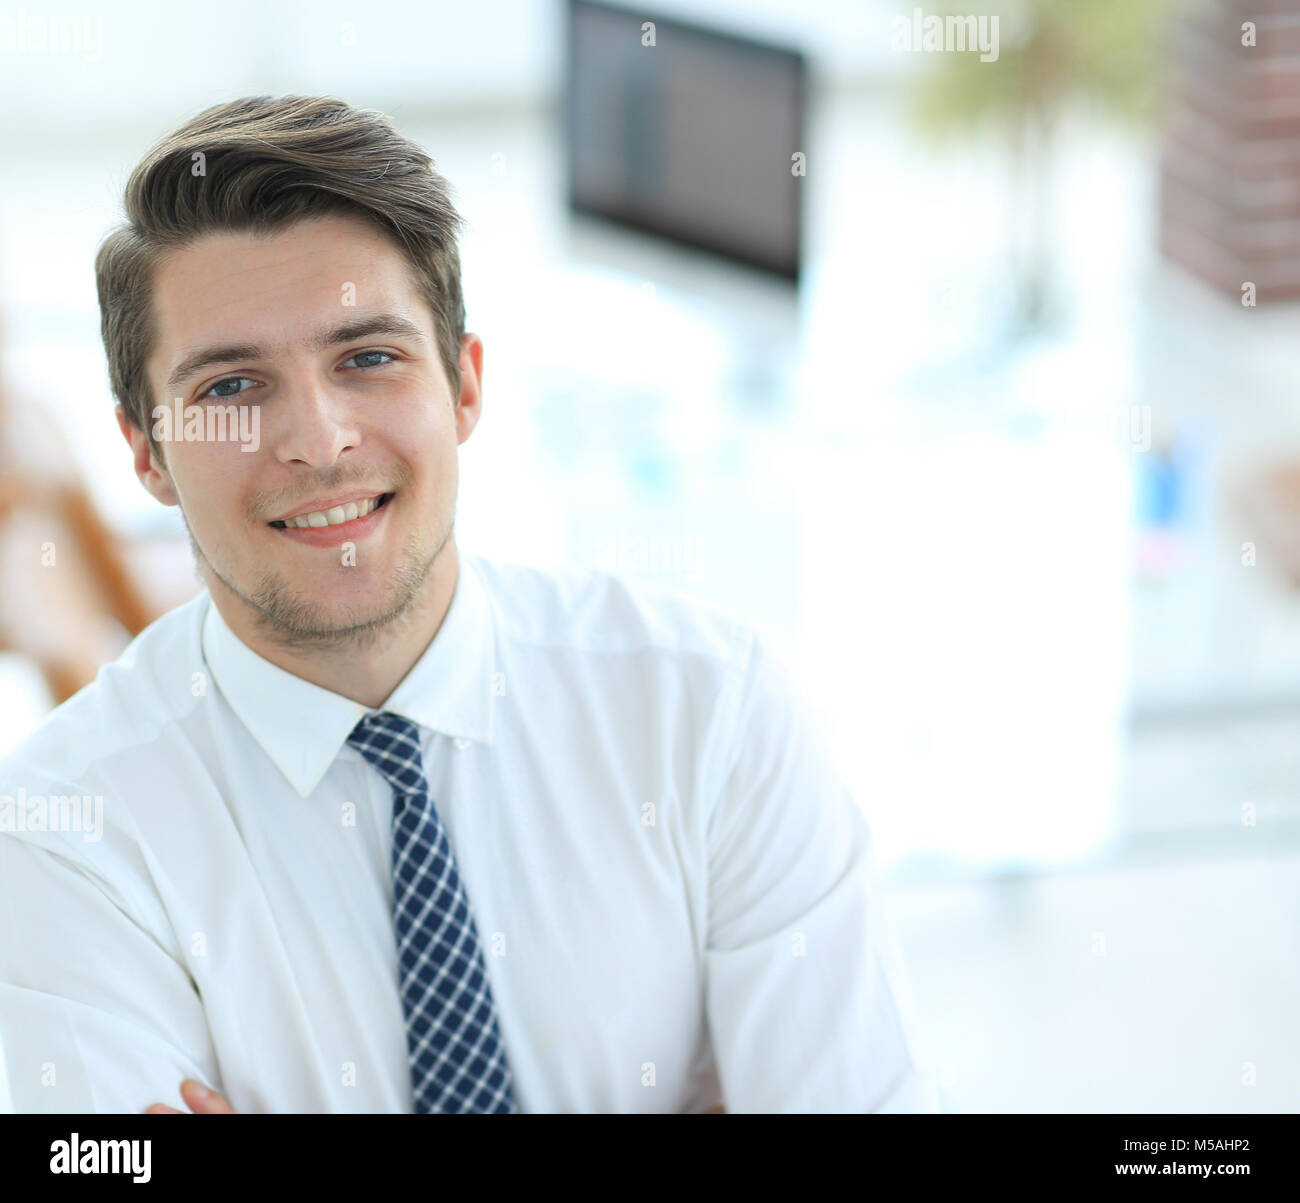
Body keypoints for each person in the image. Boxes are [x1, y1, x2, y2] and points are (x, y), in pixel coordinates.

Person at [0, 94, 934, 1114]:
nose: (318, 440)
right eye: (230, 388)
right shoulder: (61, 838)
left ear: (466, 387)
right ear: (147, 453)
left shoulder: (709, 715)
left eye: (367, 358)